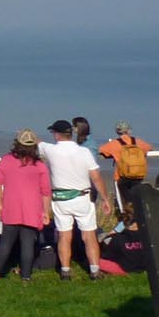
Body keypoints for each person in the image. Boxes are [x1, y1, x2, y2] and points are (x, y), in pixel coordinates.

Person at [41, 119, 113, 281]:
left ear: (57, 135)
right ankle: (95, 270)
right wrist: (105, 198)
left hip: (61, 198)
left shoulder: (51, 150)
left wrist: (25, 134)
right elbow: (96, 177)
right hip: (82, 197)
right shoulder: (84, 152)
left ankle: (65, 271)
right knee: (89, 236)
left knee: (64, 236)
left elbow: (37, 143)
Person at [0, 129, 51, 282]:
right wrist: (46, 212)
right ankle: (26, 276)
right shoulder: (39, 165)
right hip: (32, 210)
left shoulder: (6, 160)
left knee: (6, 243)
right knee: (28, 244)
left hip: (11, 207)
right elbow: (45, 192)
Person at [98, 122, 153, 213]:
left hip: (121, 177)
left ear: (117, 132)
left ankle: (126, 221)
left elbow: (100, 150)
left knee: (124, 205)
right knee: (137, 203)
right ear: (129, 131)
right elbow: (149, 148)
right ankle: (137, 221)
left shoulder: (114, 144)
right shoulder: (138, 142)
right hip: (137, 176)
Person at [99, 205, 149, 274]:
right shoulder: (148, 237)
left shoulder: (117, 238)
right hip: (146, 266)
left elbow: (106, 255)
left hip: (125, 268)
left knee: (96, 260)